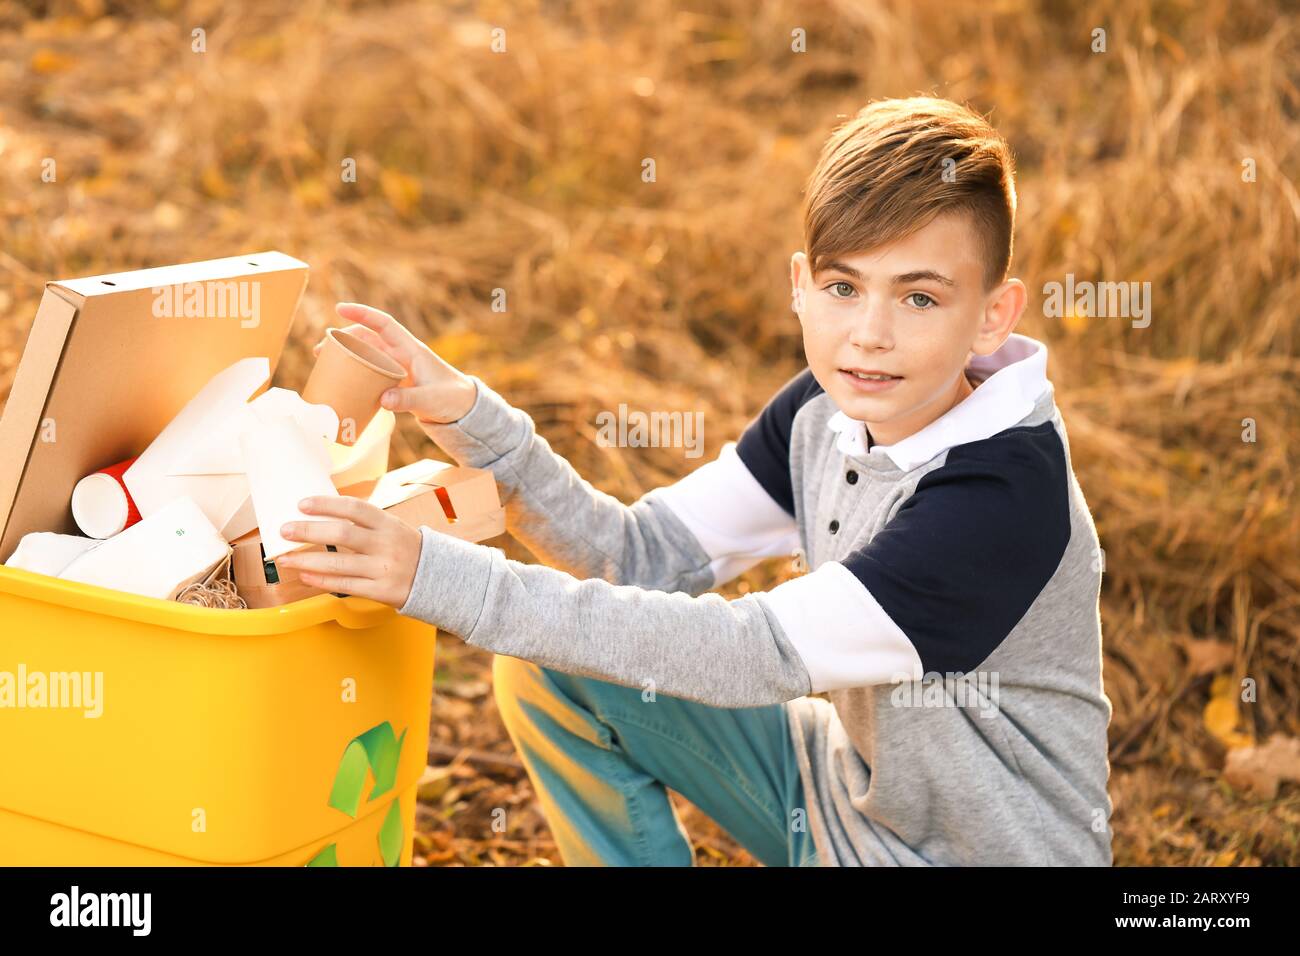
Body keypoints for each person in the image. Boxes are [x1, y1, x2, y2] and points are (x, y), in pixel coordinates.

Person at [276, 96, 1115, 867]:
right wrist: (470, 418)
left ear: (994, 315)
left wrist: (435, 575)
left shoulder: (999, 497)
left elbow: (751, 654)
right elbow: (639, 556)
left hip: (973, 854)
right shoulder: (829, 410)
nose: (869, 334)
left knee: (574, 637)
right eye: (843, 286)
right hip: (838, 797)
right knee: (556, 668)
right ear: (800, 286)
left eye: (920, 298)